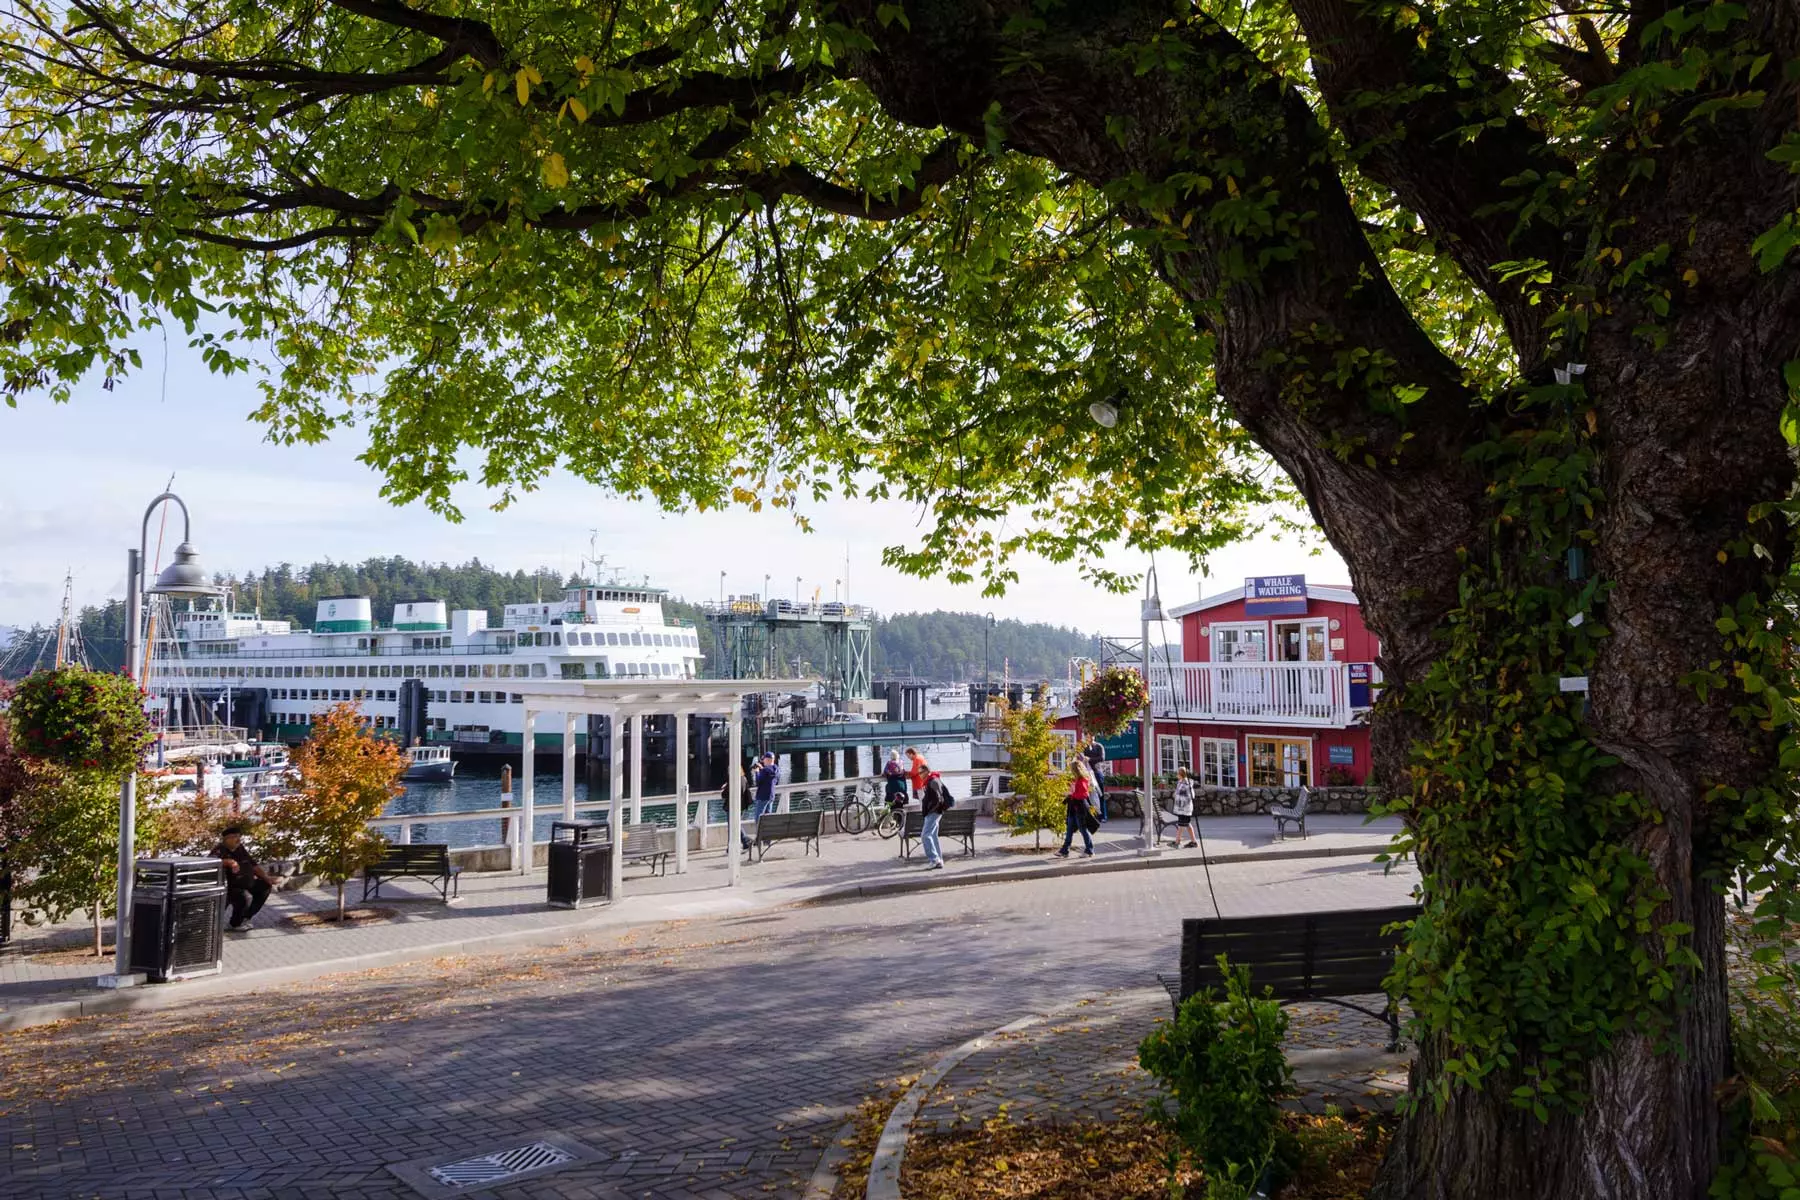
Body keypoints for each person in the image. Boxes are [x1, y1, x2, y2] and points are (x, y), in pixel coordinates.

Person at [213, 826, 274, 931]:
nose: (238, 839)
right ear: (227, 839)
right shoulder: (219, 850)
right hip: (230, 886)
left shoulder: (240, 848)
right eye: (235, 837)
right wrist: (228, 861)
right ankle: (235, 923)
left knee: (264, 886)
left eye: (239, 837)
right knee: (245, 897)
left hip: (246, 882)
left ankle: (246, 917)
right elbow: (211, 862)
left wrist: (266, 877)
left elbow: (253, 865)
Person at [1057, 757, 1098, 858]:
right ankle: (1064, 850)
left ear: (1076, 770)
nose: (1071, 771)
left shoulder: (1082, 780)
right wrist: (1071, 794)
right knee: (1069, 830)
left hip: (1079, 808)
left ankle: (1089, 850)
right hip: (1074, 807)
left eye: (1072, 769)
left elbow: (1084, 794)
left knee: (1083, 829)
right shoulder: (1078, 780)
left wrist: (1072, 794)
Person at [742, 753, 780, 854]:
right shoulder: (776, 769)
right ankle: (767, 840)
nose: (762, 761)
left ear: (767, 760)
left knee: (758, 819)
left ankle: (759, 839)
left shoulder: (764, 770)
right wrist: (761, 769)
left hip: (762, 796)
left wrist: (758, 771)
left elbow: (758, 781)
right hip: (771, 796)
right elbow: (776, 782)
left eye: (763, 759)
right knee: (768, 817)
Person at [918, 771, 952, 869]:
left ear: (926, 772)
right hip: (935, 812)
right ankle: (939, 860)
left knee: (925, 835)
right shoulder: (933, 780)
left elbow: (938, 799)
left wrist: (930, 810)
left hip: (933, 813)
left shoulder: (932, 782)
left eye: (920, 772)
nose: (919, 774)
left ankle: (934, 860)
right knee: (933, 836)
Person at [1172, 766, 1199, 848]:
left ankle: (1177, 842)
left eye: (1178, 773)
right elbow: (1177, 793)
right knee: (1186, 825)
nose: (1177, 775)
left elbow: (1192, 796)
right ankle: (1193, 842)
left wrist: (1179, 797)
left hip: (1185, 809)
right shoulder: (1180, 782)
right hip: (1181, 809)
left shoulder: (1187, 784)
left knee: (1181, 825)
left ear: (1181, 774)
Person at [1084, 737, 1109, 820]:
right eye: (1087, 735)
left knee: (1100, 794)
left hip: (1097, 772)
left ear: (1093, 737)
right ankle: (1091, 815)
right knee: (1088, 795)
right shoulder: (1084, 747)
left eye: (1091, 735)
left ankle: (1103, 816)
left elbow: (1102, 758)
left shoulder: (1099, 746)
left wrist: (1090, 759)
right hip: (1087, 773)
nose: (1089, 737)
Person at [882, 749, 909, 816]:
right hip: (902, 787)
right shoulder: (901, 762)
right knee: (900, 803)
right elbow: (903, 771)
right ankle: (900, 821)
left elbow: (885, 772)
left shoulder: (889, 763)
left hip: (892, 787)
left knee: (889, 803)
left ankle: (891, 820)